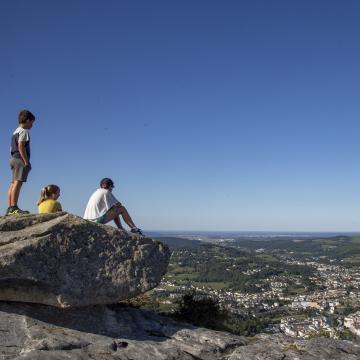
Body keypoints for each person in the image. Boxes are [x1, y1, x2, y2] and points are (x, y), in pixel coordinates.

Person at [6, 110, 36, 215]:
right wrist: (26, 161)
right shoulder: (24, 131)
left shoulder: (15, 131)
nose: (32, 125)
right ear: (27, 120)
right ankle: (14, 207)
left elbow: (11, 148)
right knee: (18, 183)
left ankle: (10, 207)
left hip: (13, 158)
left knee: (13, 183)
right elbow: (21, 146)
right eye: (32, 122)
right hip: (20, 159)